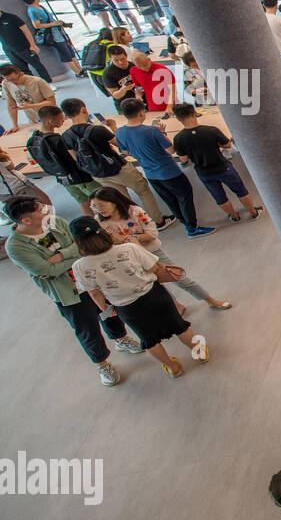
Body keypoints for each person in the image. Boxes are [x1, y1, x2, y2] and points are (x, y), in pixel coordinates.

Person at [4, 197, 143, 386]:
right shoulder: (16, 247)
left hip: (91, 281)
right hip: (68, 293)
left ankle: (121, 338)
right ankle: (102, 364)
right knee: (87, 329)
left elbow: (80, 247)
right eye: (40, 209)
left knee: (109, 313)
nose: (46, 210)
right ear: (26, 220)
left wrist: (61, 255)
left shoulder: (55, 222)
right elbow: (48, 271)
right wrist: (73, 255)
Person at [68, 215, 208, 378]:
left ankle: (172, 367)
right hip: (153, 294)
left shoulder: (79, 266)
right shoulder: (128, 248)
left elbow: (93, 292)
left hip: (125, 306)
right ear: (102, 231)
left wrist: (105, 309)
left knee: (149, 339)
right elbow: (153, 268)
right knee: (179, 326)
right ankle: (200, 353)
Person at [110, 99, 212, 237]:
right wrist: (162, 134)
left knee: (170, 200)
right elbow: (171, 150)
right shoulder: (152, 131)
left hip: (150, 174)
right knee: (184, 197)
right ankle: (192, 228)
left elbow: (126, 152)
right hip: (169, 171)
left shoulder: (120, 132)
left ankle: (185, 222)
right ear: (141, 112)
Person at [57, 98, 168, 225]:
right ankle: (158, 220)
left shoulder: (66, 136)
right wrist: (113, 127)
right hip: (118, 168)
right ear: (83, 109)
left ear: (66, 115)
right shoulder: (96, 130)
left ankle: (136, 223)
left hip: (98, 174)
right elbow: (122, 146)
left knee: (122, 200)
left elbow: (76, 158)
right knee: (143, 191)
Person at [167, 104, 261, 224]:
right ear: (195, 113)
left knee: (219, 197)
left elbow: (184, 159)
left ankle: (234, 216)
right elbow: (227, 144)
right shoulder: (211, 130)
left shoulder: (179, 138)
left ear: (178, 118)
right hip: (223, 168)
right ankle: (253, 212)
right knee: (240, 190)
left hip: (204, 172)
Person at [18, 0, 83, 76]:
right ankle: (78, 72)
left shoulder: (40, 7)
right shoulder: (32, 10)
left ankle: (80, 69)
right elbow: (36, 25)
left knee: (70, 51)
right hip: (53, 35)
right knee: (65, 54)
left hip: (58, 32)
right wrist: (53, 24)